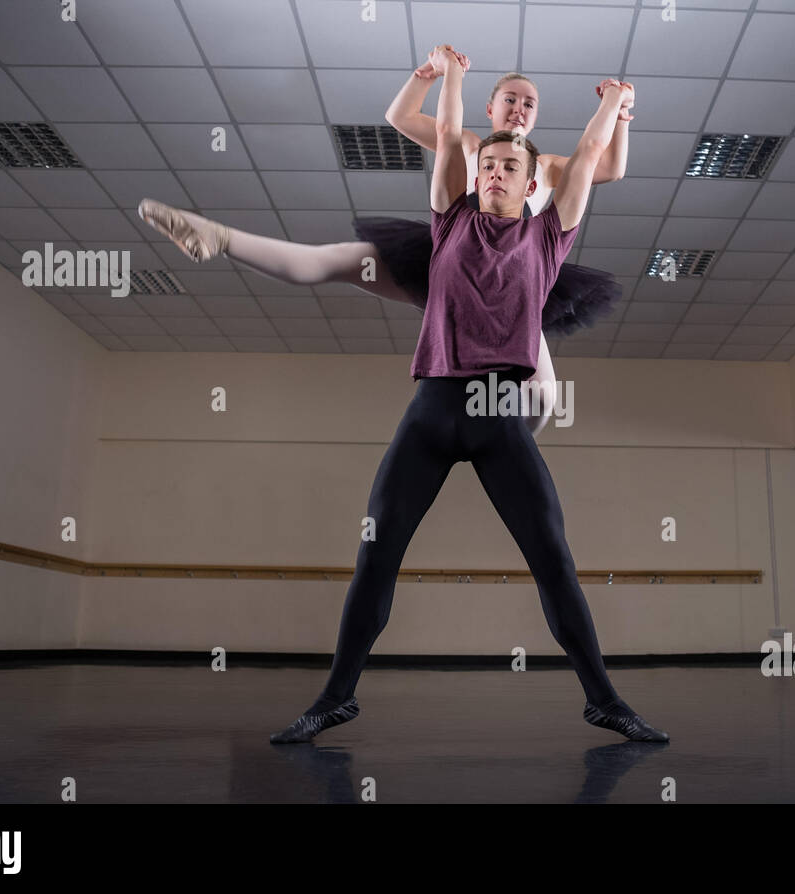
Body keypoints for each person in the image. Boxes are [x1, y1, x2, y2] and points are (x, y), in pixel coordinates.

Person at [268, 45, 668, 745]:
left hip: (498, 415)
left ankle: (603, 699)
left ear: (529, 182)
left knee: (551, 553)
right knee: (377, 550)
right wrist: (451, 76)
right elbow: (450, 133)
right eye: (488, 164)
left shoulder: (549, 240)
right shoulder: (448, 222)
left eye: (510, 166)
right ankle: (335, 697)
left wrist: (614, 101)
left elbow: (591, 154)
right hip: (432, 410)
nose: (494, 171)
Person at [137, 46, 634, 435]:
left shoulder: (544, 166)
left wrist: (623, 120)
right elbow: (400, 116)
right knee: (336, 261)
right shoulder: (462, 142)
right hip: (450, 262)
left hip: (513, 286)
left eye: (530, 103)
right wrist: (427, 75)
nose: (521, 109)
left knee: (545, 397)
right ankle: (219, 237)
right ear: (491, 106)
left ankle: (510, 442)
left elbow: (608, 165)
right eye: (511, 99)